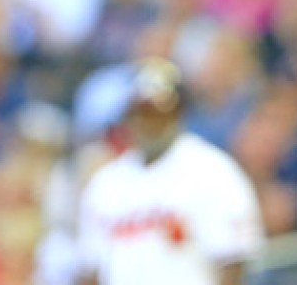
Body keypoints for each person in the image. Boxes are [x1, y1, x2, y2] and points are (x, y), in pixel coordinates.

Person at [76, 57, 264, 285]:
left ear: (177, 113)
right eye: (140, 113)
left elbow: (233, 261)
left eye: (156, 113)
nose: (146, 123)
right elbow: (91, 270)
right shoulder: (106, 184)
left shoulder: (212, 171)